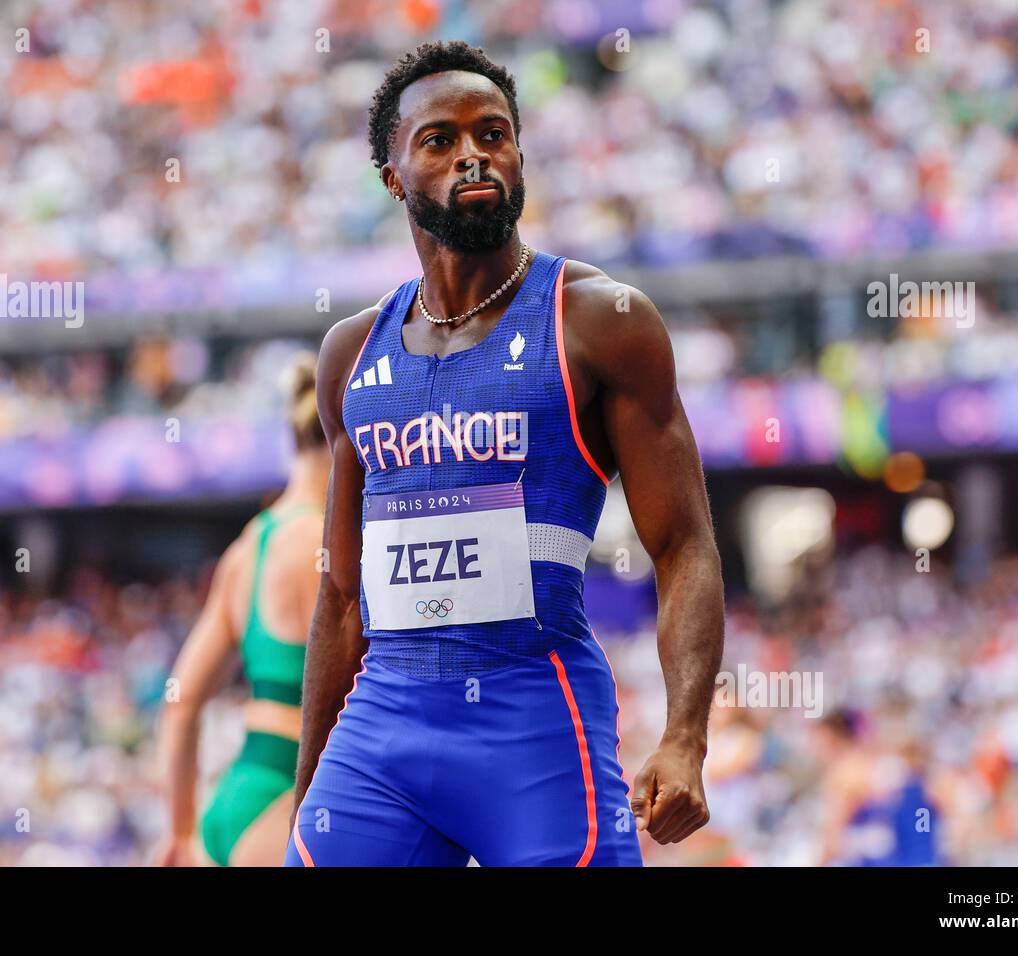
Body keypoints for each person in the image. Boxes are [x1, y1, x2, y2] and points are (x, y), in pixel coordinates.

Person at [287, 41, 724, 866]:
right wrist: (310, 789)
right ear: (393, 177)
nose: (473, 155)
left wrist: (685, 738)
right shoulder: (352, 352)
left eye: (494, 133)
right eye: (439, 141)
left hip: (536, 727)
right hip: (382, 730)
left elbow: (684, 546)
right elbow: (342, 596)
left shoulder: (599, 320)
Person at [157, 354, 328, 866]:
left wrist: (180, 830)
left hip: (236, 798)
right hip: (299, 796)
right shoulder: (335, 546)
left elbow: (181, 700)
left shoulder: (247, 548)